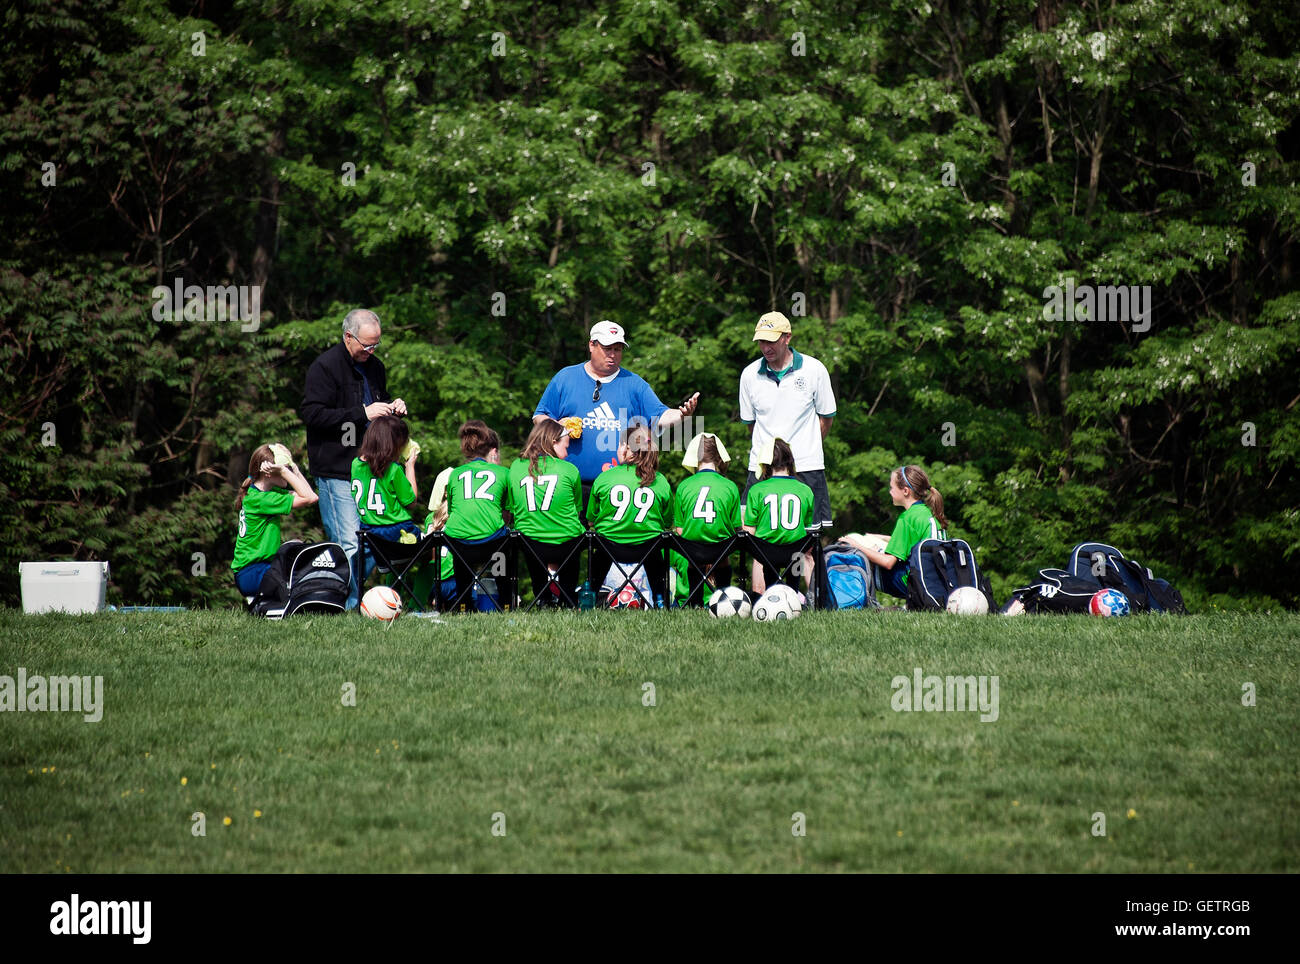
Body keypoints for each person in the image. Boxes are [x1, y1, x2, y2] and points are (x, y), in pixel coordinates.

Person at [301, 308, 408, 609]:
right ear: (348, 337)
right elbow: (312, 414)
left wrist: (392, 405)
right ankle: (344, 608)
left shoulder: (375, 367)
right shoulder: (324, 367)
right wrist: (362, 414)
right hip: (336, 469)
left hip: (371, 470)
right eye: (366, 345)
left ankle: (353, 602)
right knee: (349, 542)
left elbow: (377, 405)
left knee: (376, 539)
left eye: (376, 345)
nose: (371, 351)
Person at [533, 320, 699, 509]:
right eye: (607, 348)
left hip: (616, 487)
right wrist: (558, 426)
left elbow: (660, 414)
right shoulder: (566, 378)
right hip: (568, 484)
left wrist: (681, 415)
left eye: (618, 349)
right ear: (591, 345)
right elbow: (540, 417)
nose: (613, 354)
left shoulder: (634, 384)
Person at [738, 311, 836, 532]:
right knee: (753, 536)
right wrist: (769, 454)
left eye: (771, 340)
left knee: (809, 542)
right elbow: (751, 425)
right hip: (762, 468)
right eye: (761, 341)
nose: (766, 347)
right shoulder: (749, 375)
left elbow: (826, 418)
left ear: (787, 337)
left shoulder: (815, 370)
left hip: (806, 466)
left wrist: (805, 447)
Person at [587, 423, 673, 605]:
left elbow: (591, 518)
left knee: (597, 545)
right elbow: (667, 521)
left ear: (627, 448)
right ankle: (660, 599)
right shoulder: (660, 480)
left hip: (609, 547)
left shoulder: (605, 478)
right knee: (657, 546)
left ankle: (590, 597)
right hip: (647, 548)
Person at [508, 418, 585, 607]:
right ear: (553, 442)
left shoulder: (516, 467)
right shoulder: (569, 469)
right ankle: (567, 596)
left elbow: (513, 508)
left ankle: (542, 595)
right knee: (578, 534)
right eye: (565, 447)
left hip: (530, 543)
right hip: (567, 543)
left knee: (528, 535)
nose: (567, 454)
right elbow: (576, 510)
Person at [232, 444, 319, 603]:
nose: (287, 473)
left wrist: (294, 468)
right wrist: (285, 471)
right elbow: (310, 498)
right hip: (252, 572)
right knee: (301, 579)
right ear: (268, 473)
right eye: (282, 469)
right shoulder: (261, 500)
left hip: (258, 570)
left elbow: (311, 495)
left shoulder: (265, 492)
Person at [847, 465, 948, 600]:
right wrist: (881, 538)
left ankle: (857, 602)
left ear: (905, 491)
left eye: (892, 487)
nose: (890, 492)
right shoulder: (925, 512)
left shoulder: (907, 518)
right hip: (935, 583)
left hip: (917, 585)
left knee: (859, 556)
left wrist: (856, 545)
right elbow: (916, 542)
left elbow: (888, 562)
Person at [444, 420, 511, 611]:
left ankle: (464, 605)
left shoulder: (455, 474)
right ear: (489, 449)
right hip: (492, 545)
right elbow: (507, 514)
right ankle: (506, 603)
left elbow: (452, 512)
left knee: (460, 548)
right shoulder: (503, 472)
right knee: (504, 547)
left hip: (459, 545)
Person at [673, 432, 742, 605]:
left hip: (692, 550)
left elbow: (680, 530)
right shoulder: (730, 486)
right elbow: (735, 528)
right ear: (719, 458)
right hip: (721, 550)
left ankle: (694, 602)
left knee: (691, 557)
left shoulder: (684, 486)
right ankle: (724, 599)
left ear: (694, 458)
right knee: (724, 556)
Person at [351, 414, 421, 582]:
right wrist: (409, 466)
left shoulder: (355, 464)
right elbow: (411, 502)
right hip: (397, 531)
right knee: (431, 548)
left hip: (368, 532)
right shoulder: (394, 469)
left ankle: (385, 566)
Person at [742, 438, 814, 594]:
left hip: (768, 553)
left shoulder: (757, 490)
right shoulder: (805, 490)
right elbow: (807, 527)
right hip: (795, 553)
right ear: (790, 461)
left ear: (765, 464)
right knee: (796, 562)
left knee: (769, 564)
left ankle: (770, 596)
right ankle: (793, 595)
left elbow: (749, 532)